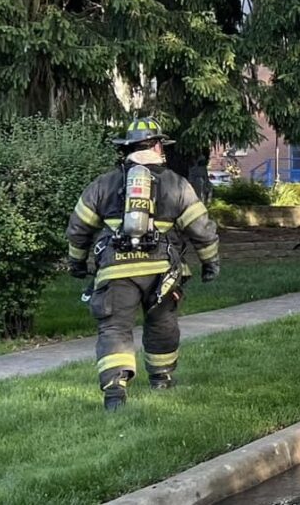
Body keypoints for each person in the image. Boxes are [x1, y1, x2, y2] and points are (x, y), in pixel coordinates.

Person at [66, 118, 220, 411]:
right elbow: (202, 228)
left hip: (116, 270)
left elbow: (78, 228)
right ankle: (162, 379)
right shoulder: (176, 183)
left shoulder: (104, 184)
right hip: (162, 272)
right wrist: (210, 262)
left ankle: (115, 392)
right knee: (162, 323)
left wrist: (77, 262)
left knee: (115, 328)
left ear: (127, 148)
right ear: (158, 146)